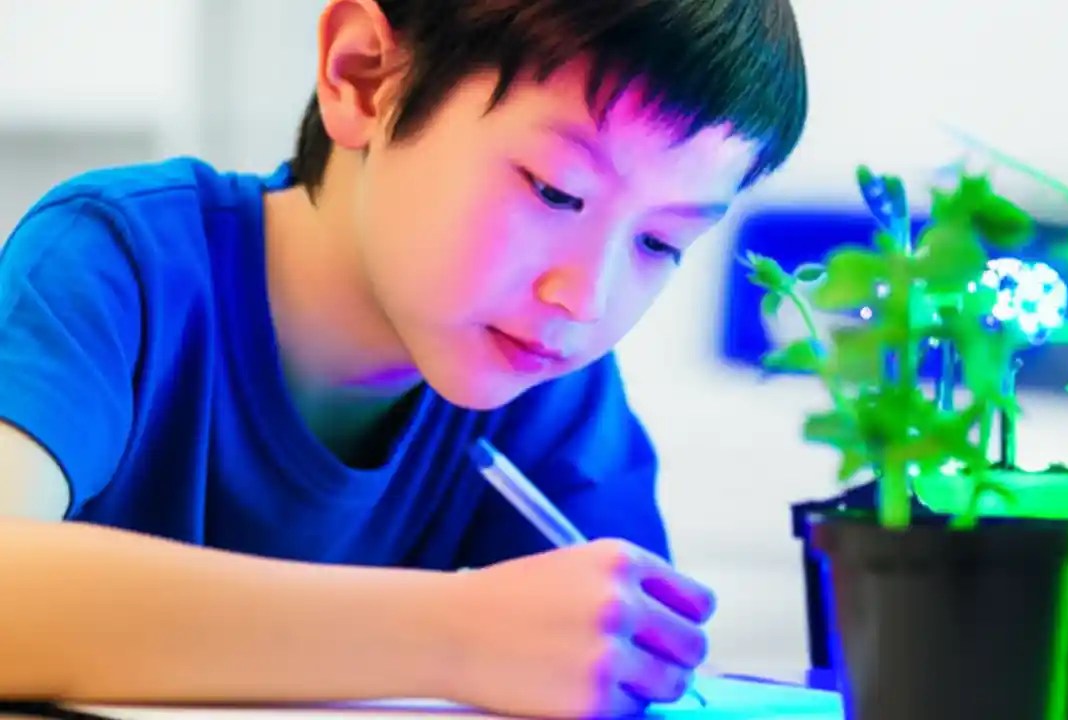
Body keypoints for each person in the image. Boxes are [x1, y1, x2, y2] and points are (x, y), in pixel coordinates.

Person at [0, 0, 807, 716]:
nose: (585, 298)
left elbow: (609, 670)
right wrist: (455, 635)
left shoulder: (550, 387)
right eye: (556, 191)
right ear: (364, 77)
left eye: (661, 242)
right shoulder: (119, 264)